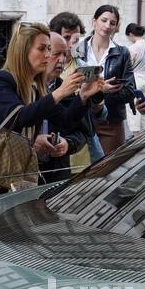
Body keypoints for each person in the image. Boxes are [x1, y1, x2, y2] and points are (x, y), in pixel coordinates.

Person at [0, 21, 97, 196]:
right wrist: (60, 93)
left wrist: (83, 96)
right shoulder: (1, 80)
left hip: (19, 175)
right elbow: (20, 117)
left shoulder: (37, 88)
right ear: (23, 51)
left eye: (49, 49)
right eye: (42, 49)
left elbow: (65, 121)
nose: (48, 55)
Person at [74, 4, 134, 155]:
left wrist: (102, 93)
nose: (107, 26)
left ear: (116, 27)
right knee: (82, 173)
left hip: (111, 122)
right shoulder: (78, 50)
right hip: (81, 120)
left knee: (109, 171)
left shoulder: (122, 53)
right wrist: (99, 89)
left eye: (112, 23)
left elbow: (129, 91)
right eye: (104, 20)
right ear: (94, 22)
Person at [38, 31, 95, 183]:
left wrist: (67, 143)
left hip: (57, 171)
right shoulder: (23, 88)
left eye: (65, 54)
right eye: (56, 54)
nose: (61, 60)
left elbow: (84, 131)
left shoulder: (68, 88)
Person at [125, 22, 145, 134]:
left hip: (135, 80)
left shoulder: (132, 48)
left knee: (133, 108)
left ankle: (136, 135)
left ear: (131, 34)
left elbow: (128, 67)